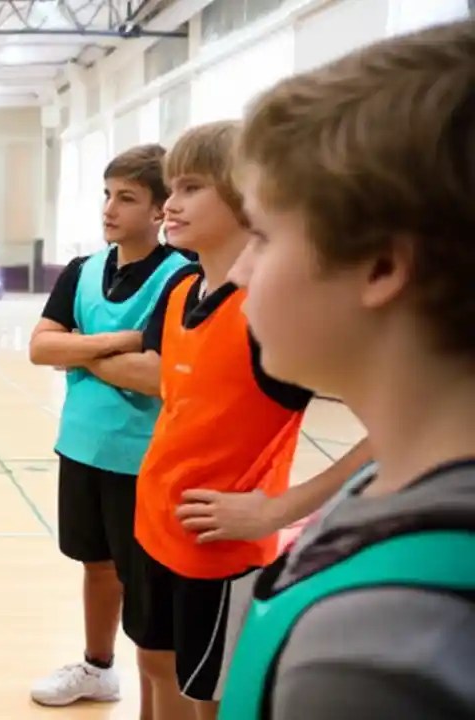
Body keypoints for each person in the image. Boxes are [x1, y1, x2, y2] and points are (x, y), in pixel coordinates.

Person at [212, 20, 475, 719]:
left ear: (382, 266)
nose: (239, 272)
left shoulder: (375, 660)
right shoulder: (387, 482)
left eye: (262, 237)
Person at [125, 121, 371, 720]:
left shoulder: (272, 313)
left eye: (190, 188)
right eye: (170, 188)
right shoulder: (182, 291)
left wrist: (278, 511)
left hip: (220, 549)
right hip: (154, 524)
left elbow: (391, 428)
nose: (171, 204)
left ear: (247, 198)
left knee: (206, 698)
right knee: (153, 665)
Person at [27, 144, 191, 712]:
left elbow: (156, 374)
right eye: (106, 194)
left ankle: (154, 696)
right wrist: (119, 342)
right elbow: (39, 347)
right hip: (82, 448)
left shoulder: (181, 277)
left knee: (143, 585)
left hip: (141, 458)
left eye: (126, 198)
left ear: (158, 211)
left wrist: (78, 352)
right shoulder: (83, 271)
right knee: (94, 565)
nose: (109, 208)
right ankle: (98, 668)